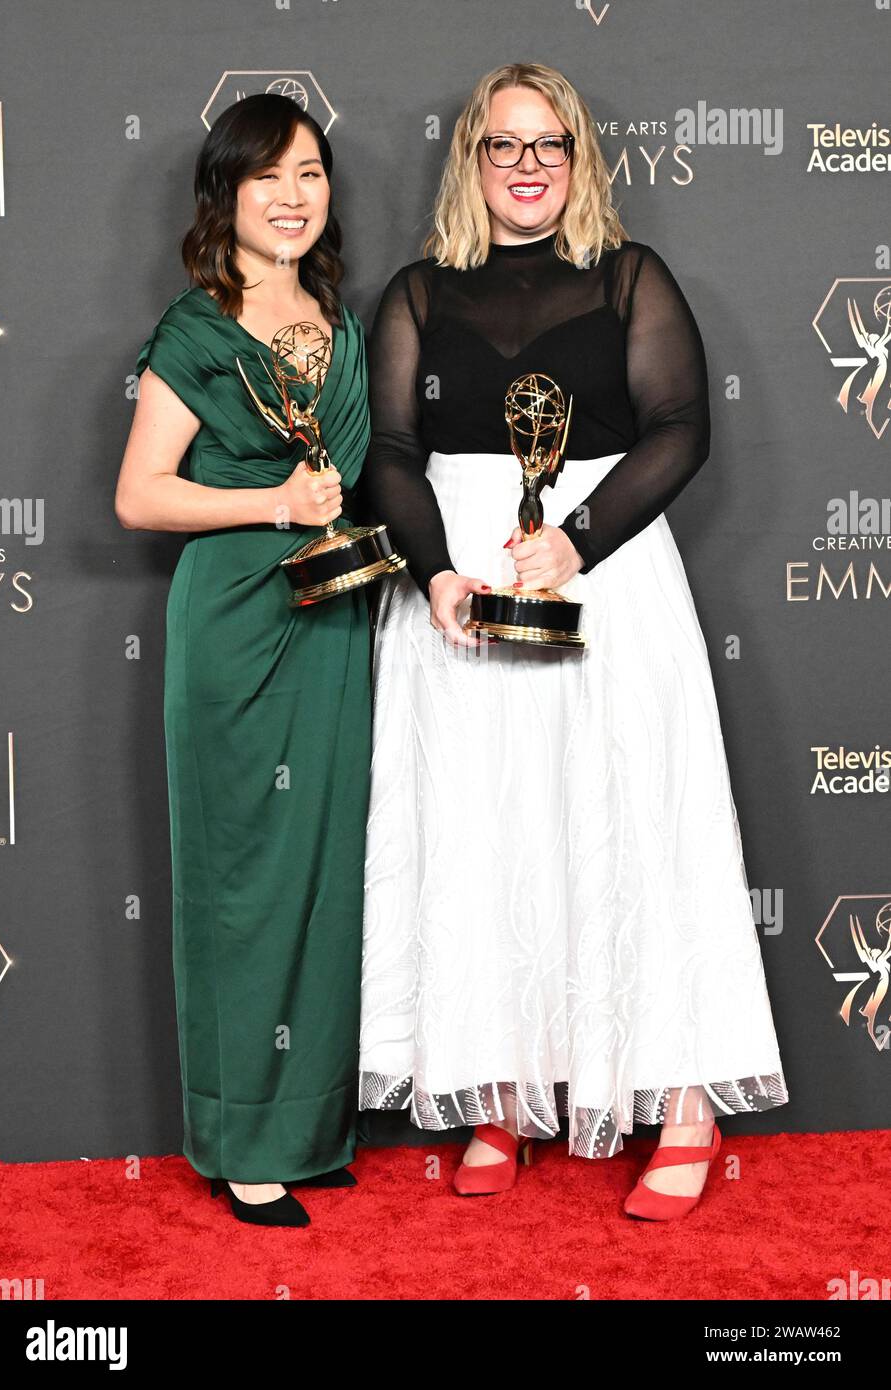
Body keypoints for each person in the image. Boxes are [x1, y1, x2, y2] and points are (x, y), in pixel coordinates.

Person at [356, 62, 789, 1219]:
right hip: (458, 594)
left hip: (607, 588)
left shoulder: (629, 278)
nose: (528, 165)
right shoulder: (413, 294)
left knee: (639, 823)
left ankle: (684, 1102)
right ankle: (500, 1086)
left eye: (549, 144)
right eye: (504, 146)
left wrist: (579, 541)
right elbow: (389, 450)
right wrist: (434, 568)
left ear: (581, 158)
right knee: (487, 827)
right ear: (472, 163)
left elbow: (682, 425)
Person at [115, 93, 372, 1226]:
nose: (292, 196)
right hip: (234, 623)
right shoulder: (197, 327)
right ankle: (237, 1138)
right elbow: (137, 493)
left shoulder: (341, 319)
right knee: (241, 883)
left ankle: (306, 1127)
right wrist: (272, 500)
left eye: (310, 172)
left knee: (321, 873)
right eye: (268, 176)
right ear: (227, 194)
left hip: (336, 624)